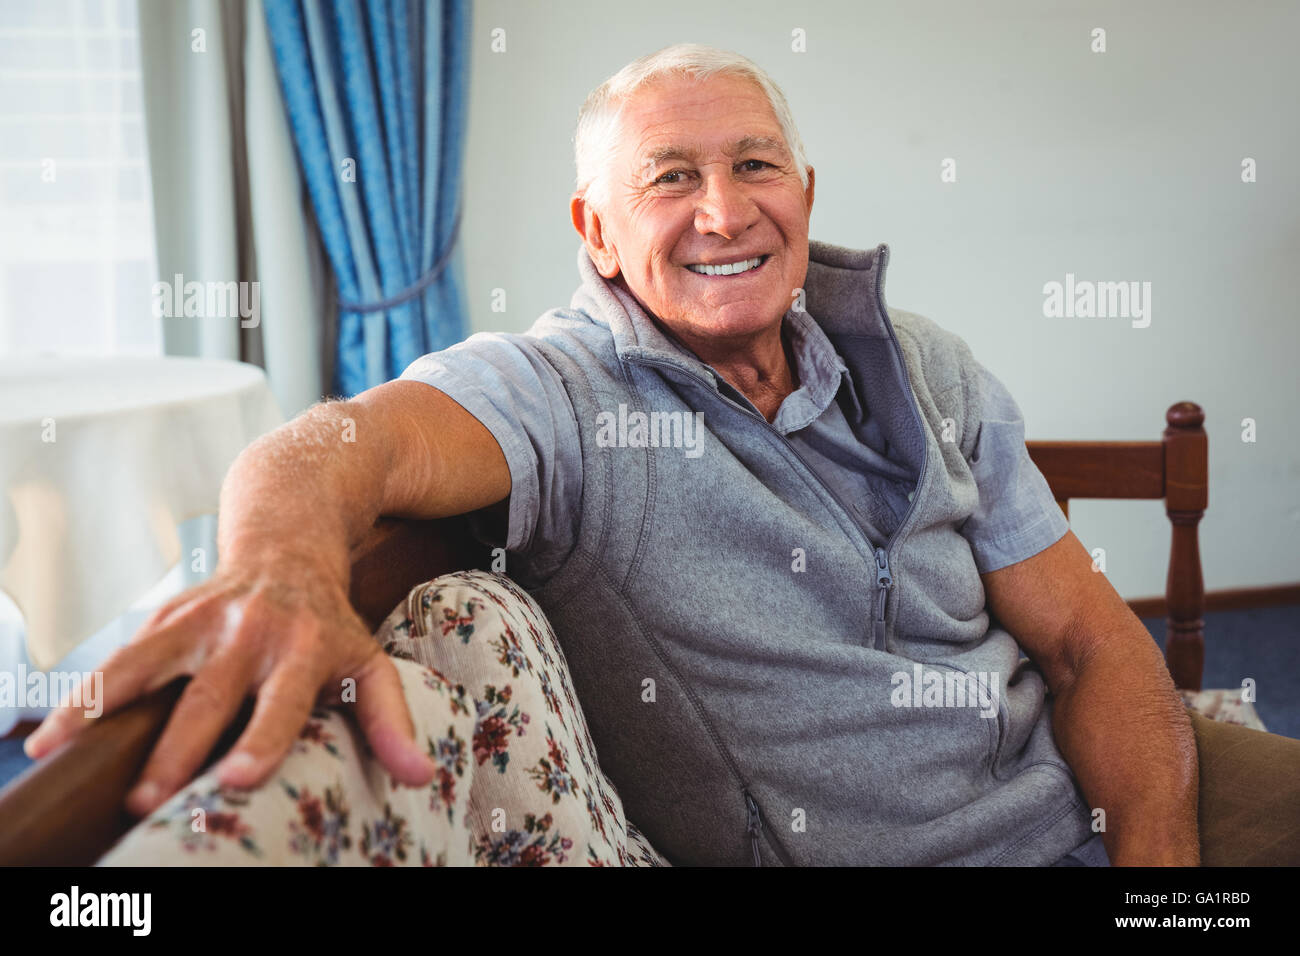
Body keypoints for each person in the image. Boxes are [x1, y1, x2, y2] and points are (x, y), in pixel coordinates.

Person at [27, 43, 1299, 866]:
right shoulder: (565, 394)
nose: (723, 210)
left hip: (1097, 797)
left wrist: (1157, 876)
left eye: (754, 165)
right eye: (669, 178)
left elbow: (1087, 640)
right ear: (594, 229)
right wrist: (280, 565)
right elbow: (341, 440)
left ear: (805, 189)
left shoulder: (925, 358)